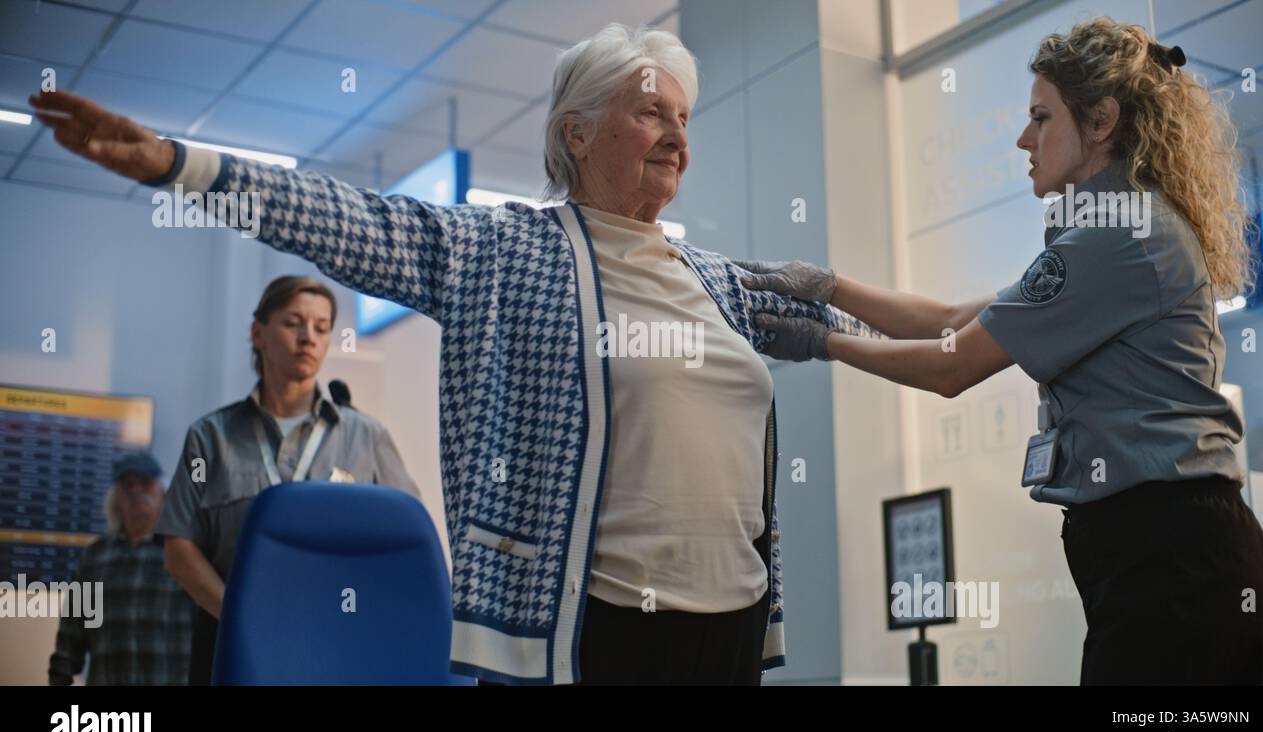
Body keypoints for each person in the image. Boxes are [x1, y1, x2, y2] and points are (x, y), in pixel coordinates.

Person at [30, 23, 871, 685]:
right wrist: (182, 165)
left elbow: (893, 337)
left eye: (684, 119)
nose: (676, 136)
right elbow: (343, 217)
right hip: (593, 632)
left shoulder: (715, 278)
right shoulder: (502, 250)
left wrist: (989, 328)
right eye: (650, 111)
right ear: (576, 135)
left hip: (733, 626)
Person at [747, 18, 1263, 685]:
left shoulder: (1116, 238)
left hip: (1176, 564)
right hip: (1172, 560)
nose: (1024, 139)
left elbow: (952, 364)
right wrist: (828, 287)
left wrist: (821, 339)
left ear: (1102, 120)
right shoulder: (1108, 229)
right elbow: (950, 320)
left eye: (1040, 118)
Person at [155, 276, 422, 685]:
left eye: (321, 328)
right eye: (294, 323)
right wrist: (242, 617)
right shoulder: (211, 437)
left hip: (340, 646)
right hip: (234, 647)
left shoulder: (365, 436)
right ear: (258, 333)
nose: (308, 338)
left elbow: (407, 542)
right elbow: (178, 548)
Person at [48, 452, 191, 685]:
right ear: (116, 498)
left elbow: (208, 634)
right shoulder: (95, 557)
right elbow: (71, 635)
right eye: (127, 485)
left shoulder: (184, 554)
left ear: (162, 492)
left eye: (145, 483)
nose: (136, 491)